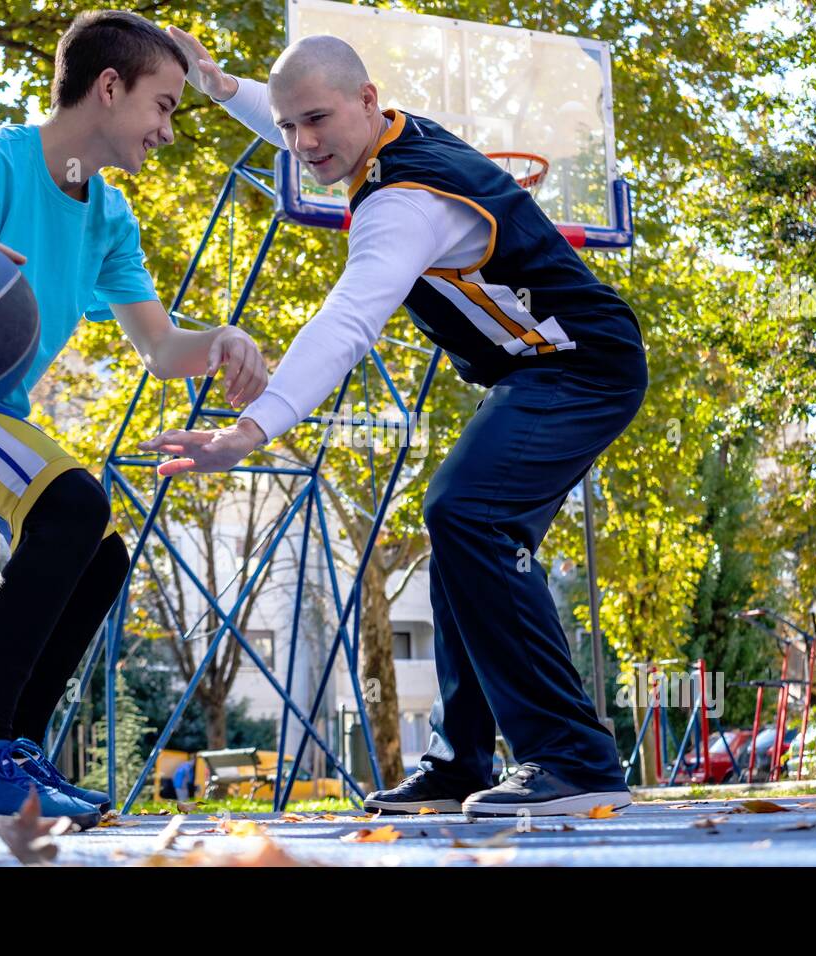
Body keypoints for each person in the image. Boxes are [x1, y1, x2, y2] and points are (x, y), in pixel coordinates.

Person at [150, 28, 648, 817]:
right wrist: (224, 91)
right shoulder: (392, 135)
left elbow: (348, 321)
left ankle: (573, 758)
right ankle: (460, 766)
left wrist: (250, 432)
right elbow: (296, 113)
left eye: (316, 120)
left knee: (467, 512)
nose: (302, 144)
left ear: (367, 100)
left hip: (582, 365)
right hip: (536, 369)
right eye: (288, 127)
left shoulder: (405, 203)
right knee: (464, 536)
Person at [0, 11, 268, 830]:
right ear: (109, 87)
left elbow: (159, 346)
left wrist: (220, 341)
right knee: (71, 504)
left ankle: (10, 759)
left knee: (100, 553)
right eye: (166, 105)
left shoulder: (107, 218)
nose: (170, 131)